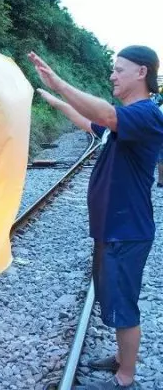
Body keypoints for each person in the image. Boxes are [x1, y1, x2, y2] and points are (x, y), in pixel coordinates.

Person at [28, 46, 163, 390]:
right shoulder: (124, 124)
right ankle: (121, 358)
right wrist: (50, 96)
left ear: (142, 72)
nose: (112, 75)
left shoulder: (146, 114)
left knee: (124, 305)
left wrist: (60, 83)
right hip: (112, 228)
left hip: (127, 230)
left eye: (119, 69)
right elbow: (89, 122)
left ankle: (126, 376)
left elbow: (105, 116)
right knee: (113, 298)